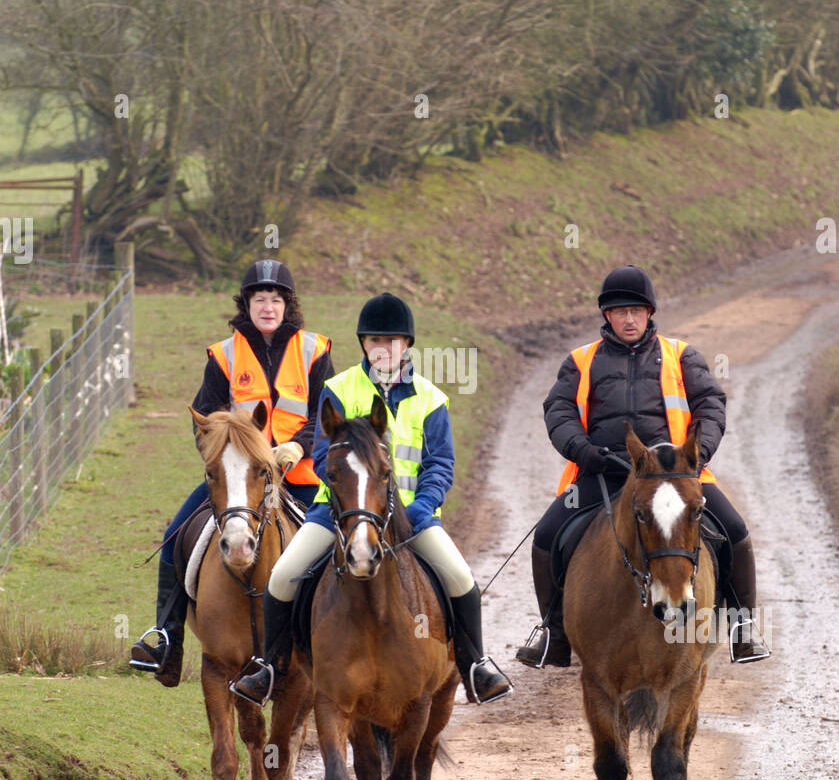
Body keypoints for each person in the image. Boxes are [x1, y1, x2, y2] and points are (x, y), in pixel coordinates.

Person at [230, 292, 513, 707]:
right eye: (377, 341)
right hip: (340, 512)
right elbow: (325, 454)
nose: (385, 349)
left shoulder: (431, 399)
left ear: (407, 345)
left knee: (462, 581)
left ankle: (475, 666)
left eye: (394, 341)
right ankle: (270, 667)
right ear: (364, 343)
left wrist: (421, 506)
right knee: (282, 577)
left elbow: (440, 463)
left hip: (413, 516)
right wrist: (346, 503)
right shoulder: (338, 388)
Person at [518, 264, 770, 668]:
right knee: (548, 537)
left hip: (674, 473)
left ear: (649, 313)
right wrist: (584, 451)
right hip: (603, 471)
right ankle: (555, 632)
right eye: (620, 312)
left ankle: (743, 626)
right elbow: (558, 410)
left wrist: (695, 455)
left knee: (734, 530)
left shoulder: (680, 355)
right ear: (607, 317)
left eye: (636, 311)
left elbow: (711, 404)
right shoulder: (580, 361)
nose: (629, 318)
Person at [129, 259, 333, 687]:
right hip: (242, 478)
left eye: (276, 299)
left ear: (287, 305)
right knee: (174, 535)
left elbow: (325, 412)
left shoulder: (315, 351)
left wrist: (299, 445)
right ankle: (166, 639)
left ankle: (341, 641)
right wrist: (231, 456)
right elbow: (205, 417)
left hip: (304, 475)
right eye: (260, 298)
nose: (268, 306)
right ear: (247, 304)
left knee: (344, 544)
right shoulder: (224, 355)